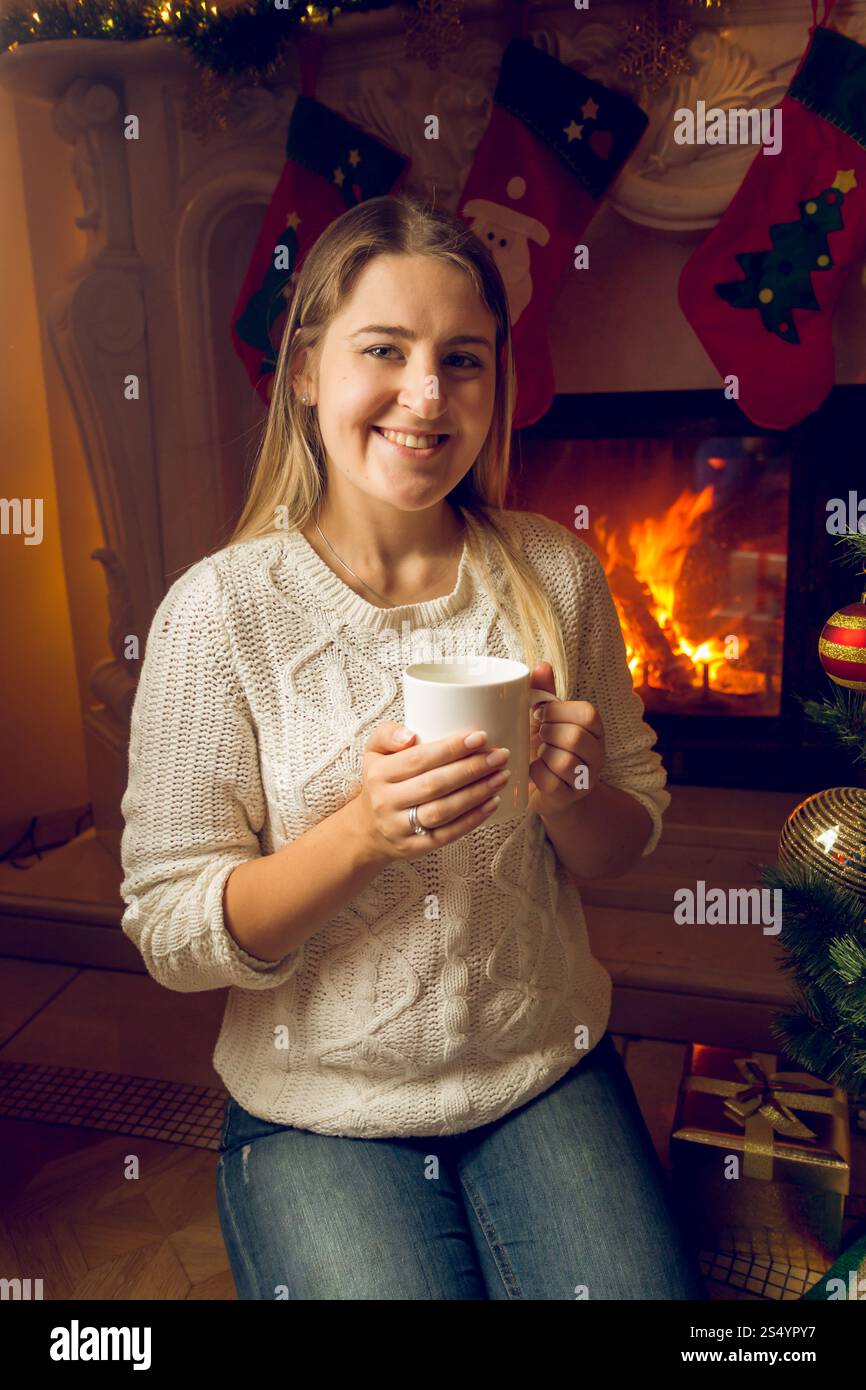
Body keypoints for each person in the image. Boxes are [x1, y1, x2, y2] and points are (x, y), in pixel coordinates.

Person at [119, 194, 708, 1301]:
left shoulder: (556, 573)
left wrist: (571, 790)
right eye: (383, 350)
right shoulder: (218, 614)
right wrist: (358, 836)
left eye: (464, 360)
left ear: (498, 383)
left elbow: (621, 832)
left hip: (542, 1064)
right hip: (318, 1102)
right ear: (304, 372)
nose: (426, 397)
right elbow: (172, 934)